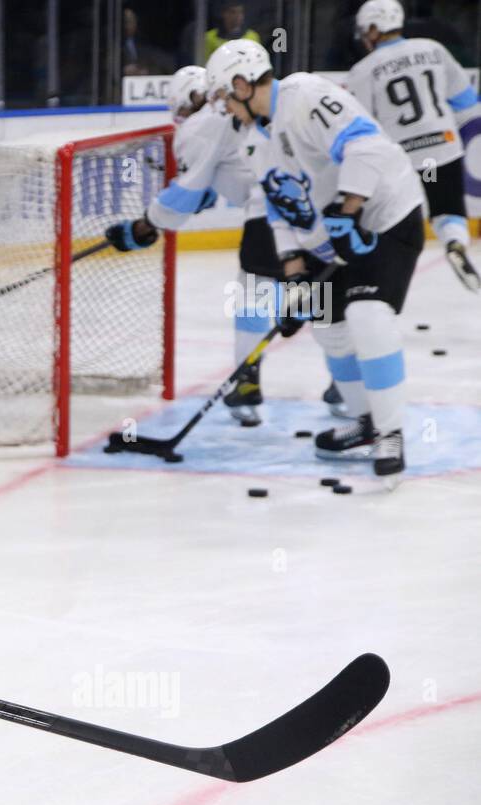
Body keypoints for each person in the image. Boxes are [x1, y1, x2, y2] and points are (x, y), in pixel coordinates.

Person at [206, 39, 425, 477]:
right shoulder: (258, 141)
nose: (225, 110)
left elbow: (364, 146)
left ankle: (390, 434)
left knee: (366, 312)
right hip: (339, 239)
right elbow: (279, 207)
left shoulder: (305, 95)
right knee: (328, 325)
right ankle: (366, 423)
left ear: (242, 84)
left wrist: (346, 213)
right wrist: (294, 275)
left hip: (387, 217)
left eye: (225, 99)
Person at [105, 65, 332, 426]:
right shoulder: (247, 110)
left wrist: (144, 226)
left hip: (271, 211)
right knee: (322, 300)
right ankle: (345, 385)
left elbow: (187, 193)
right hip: (319, 208)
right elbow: (219, 176)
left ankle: (246, 384)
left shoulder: (201, 125)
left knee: (254, 298)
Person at [345, 0, 479, 291]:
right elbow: (467, 100)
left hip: (403, 158)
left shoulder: (363, 69)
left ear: (373, 28)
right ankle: (454, 242)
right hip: (444, 147)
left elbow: (362, 126)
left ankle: (378, 274)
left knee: (396, 219)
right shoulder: (433, 49)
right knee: (448, 211)